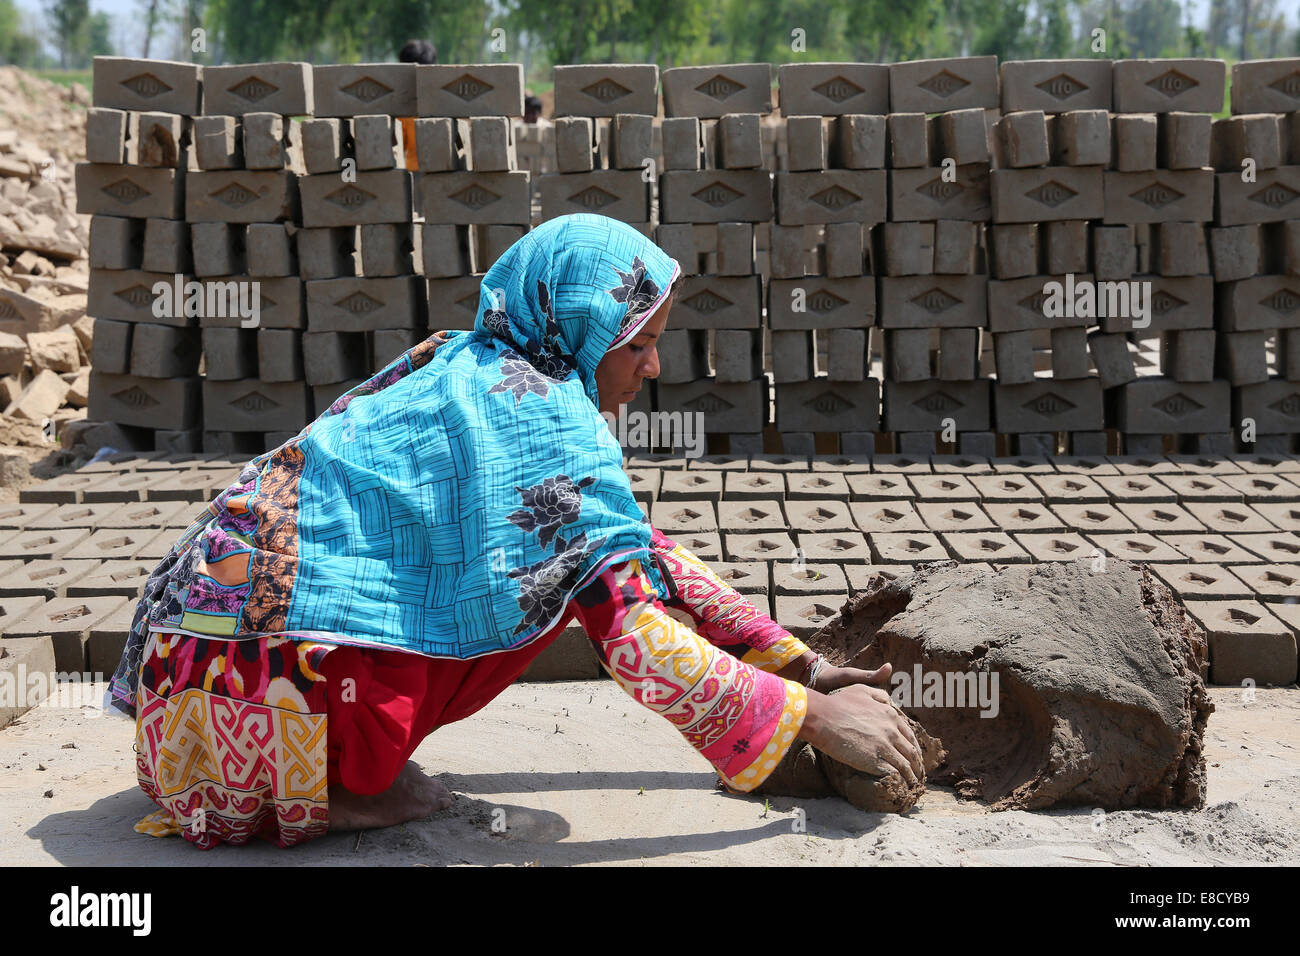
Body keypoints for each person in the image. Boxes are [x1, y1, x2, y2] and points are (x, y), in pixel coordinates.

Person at [107, 213, 922, 849]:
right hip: (253, 746)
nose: (653, 366)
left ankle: (331, 764)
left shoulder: (462, 365)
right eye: (637, 343)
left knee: (581, 560)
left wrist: (806, 669)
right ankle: (337, 785)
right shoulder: (546, 423)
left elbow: (644, 553)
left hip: (184, 726)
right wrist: (815, 721)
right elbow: (632, 637)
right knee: (570, 579)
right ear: (580, 326)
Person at [397, 39, 437, 170]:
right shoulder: (442, 102)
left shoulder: (400, 108)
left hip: (412, 173)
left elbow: (397, 146)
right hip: (442, 173)